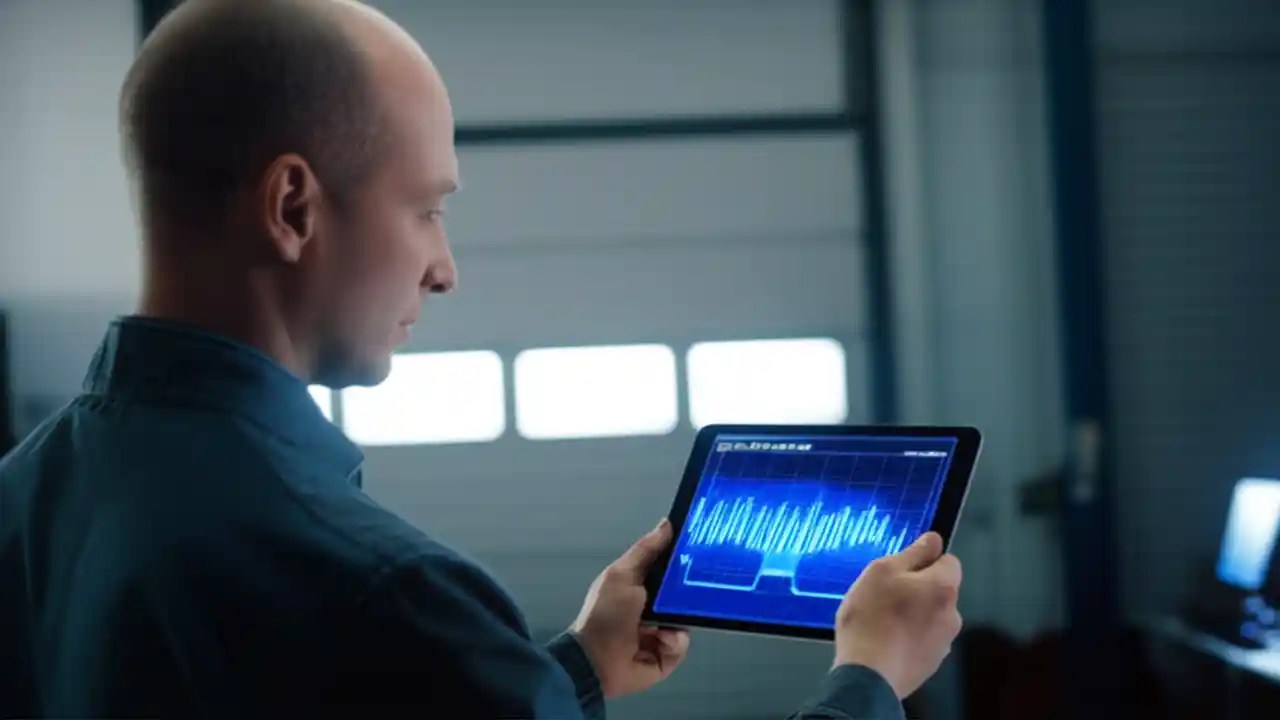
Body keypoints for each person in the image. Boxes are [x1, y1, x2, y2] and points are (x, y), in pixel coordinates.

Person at [0, 0, 964, 717]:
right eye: (426, 207)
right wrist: (870, 679)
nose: (445, 269)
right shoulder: (385, 595)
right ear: (293, 207)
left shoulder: (23, 503)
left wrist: (575, 670)